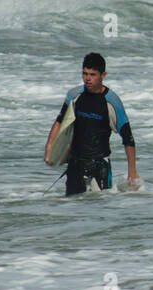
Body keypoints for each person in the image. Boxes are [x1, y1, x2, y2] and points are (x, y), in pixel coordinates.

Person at [44, 53, 138, 195]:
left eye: (93, 74)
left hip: (100, 164)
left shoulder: (112, 101)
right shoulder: (74, 95)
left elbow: (128, 137)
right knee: (73, 207)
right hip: (75, 163)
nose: (87, 78)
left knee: (100, 210)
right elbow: (60, 121)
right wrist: (50, 149)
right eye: (85, 73)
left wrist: (132, 170)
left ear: (103, 75)